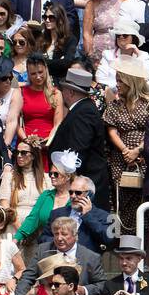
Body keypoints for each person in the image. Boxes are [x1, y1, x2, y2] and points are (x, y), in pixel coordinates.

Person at [49, 68, 112, 208]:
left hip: (85, 186)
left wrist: (68, 177)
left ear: (70, 92)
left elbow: (77, 150)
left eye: (64, 89)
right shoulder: (83, 109)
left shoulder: (84, 112)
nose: (62, 93)